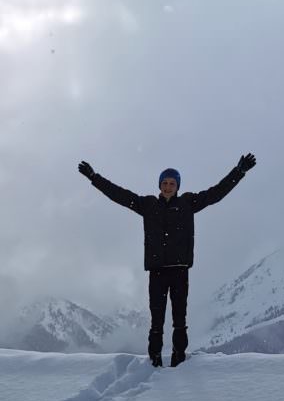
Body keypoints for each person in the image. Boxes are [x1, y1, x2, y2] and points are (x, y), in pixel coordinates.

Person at [79, 153, 257, 367]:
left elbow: (216, 194)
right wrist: (94, 177)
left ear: (178, 186)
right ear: (159, 184)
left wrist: (239, 172)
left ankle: (178, 357)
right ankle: (155, 358)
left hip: (180, 270)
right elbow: (120, 195)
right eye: (164, 182)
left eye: (172, 183)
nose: (168, 186)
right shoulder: (148, 205)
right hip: (157, 271)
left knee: (180, 319)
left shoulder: (188, 203)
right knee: (157, 320)